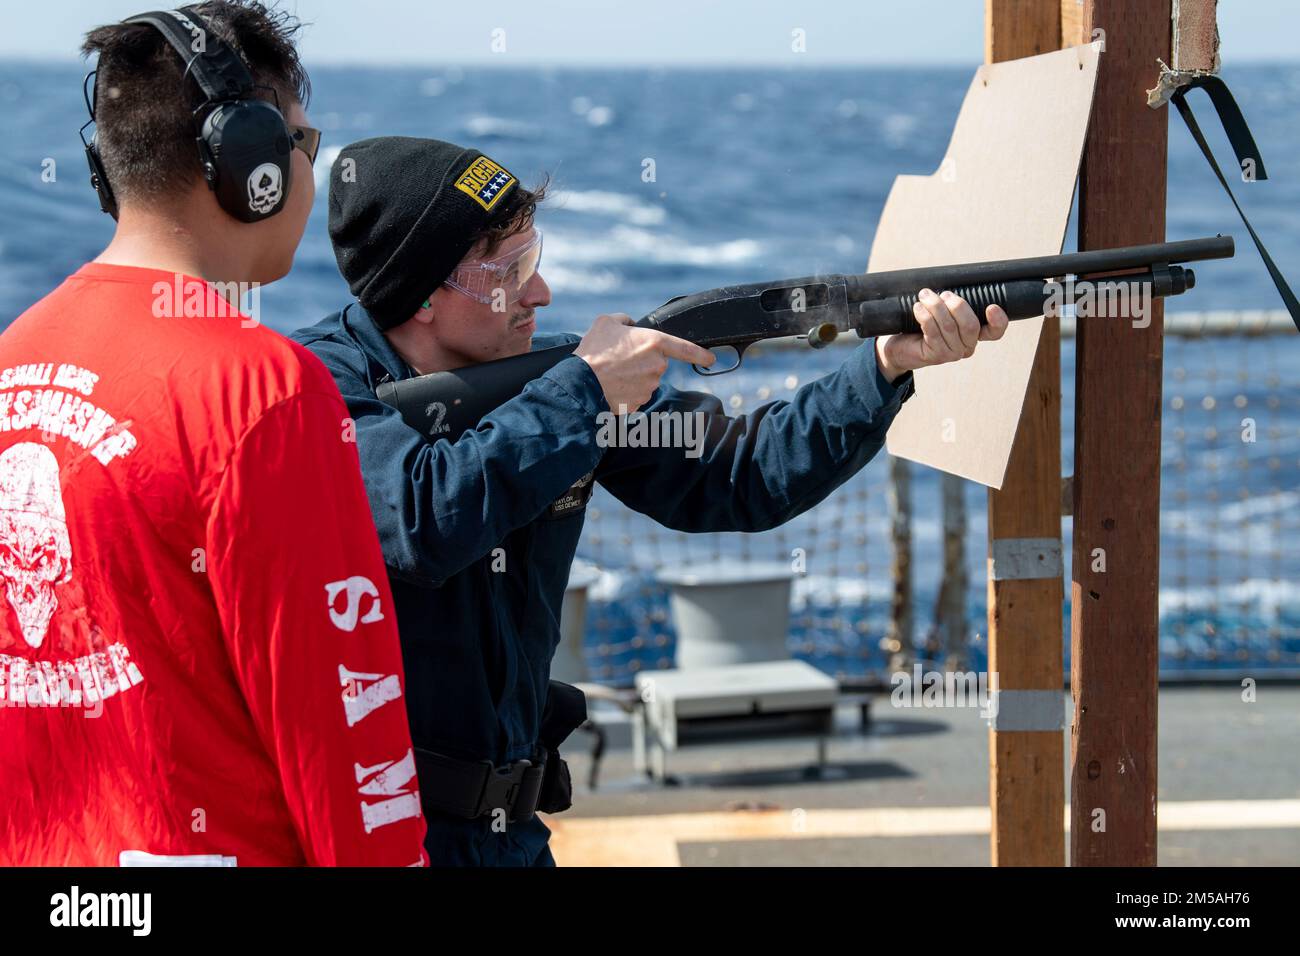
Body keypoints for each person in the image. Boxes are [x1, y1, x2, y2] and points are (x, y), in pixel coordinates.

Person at [292, 135, 1007, 866]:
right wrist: (583, 393)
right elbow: (424, 520)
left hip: (515, 828)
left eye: (534, 260)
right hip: (381, 833)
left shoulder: (555, 380)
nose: (540, 293)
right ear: (420, 293)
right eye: (512, 272)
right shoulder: (317, 385)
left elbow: (742, 474)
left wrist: (883, 367)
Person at [0, 3, 426, 867]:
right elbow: (342, 716)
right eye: (303, 146)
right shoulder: (262, 389)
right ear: (249, 162)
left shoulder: (14, 361)